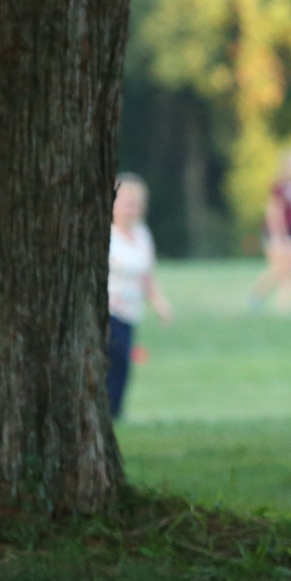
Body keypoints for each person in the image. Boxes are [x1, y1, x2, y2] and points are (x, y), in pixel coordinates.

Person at [107, 174, 173, 421]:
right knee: (113, 360)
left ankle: (115, 414)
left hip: (130, 313)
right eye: (126, 202)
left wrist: (160, 305)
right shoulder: (107, 235)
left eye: (136, 203)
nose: (131, 208)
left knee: (123, 366)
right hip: (108, 311)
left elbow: (147, 276)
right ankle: (108, 412)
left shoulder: (143, 235)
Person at [248, 148, 291, 313]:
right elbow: (274, 211)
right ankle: (257, 294)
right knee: (278, 269)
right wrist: (279, 236)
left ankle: (284, 309)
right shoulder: (279, 186)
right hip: (277, 233)